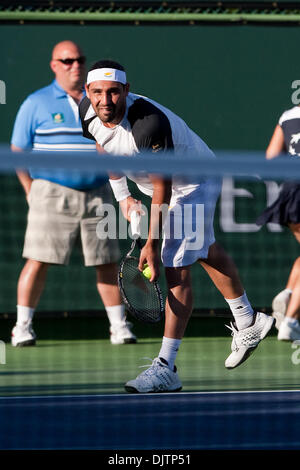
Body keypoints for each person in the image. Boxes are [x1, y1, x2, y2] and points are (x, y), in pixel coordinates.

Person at [79, 59, 274, 393]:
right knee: (202, 248)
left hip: (193, 181)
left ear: (126, 90)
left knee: (174, 265)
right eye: (97, 93)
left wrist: (152, 246)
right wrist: (123, 196)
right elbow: (104, 147)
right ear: (87, 92)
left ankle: (166, 367)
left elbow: (163, 188)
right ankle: (249, 319)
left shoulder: (147, 125)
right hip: (158, 186)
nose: (105, 101)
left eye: (114, 92)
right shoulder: (88, 112)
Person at [10, 42, 137, 347]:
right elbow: (17, 151)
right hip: (51, 193)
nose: (74, 66)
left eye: (79, 60)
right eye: (66, 61)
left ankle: (119, 326)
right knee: (37, 260)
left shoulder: (100, 100)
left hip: (99, 192)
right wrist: (31, 192)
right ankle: (22, 327)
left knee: (107, 262)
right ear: (54, 65)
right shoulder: (35, 102)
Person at [256, 107, 300, 341]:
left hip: (291, 192)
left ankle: (289, 293)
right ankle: (291, 320)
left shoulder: (287, 116)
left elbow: (270, 160)